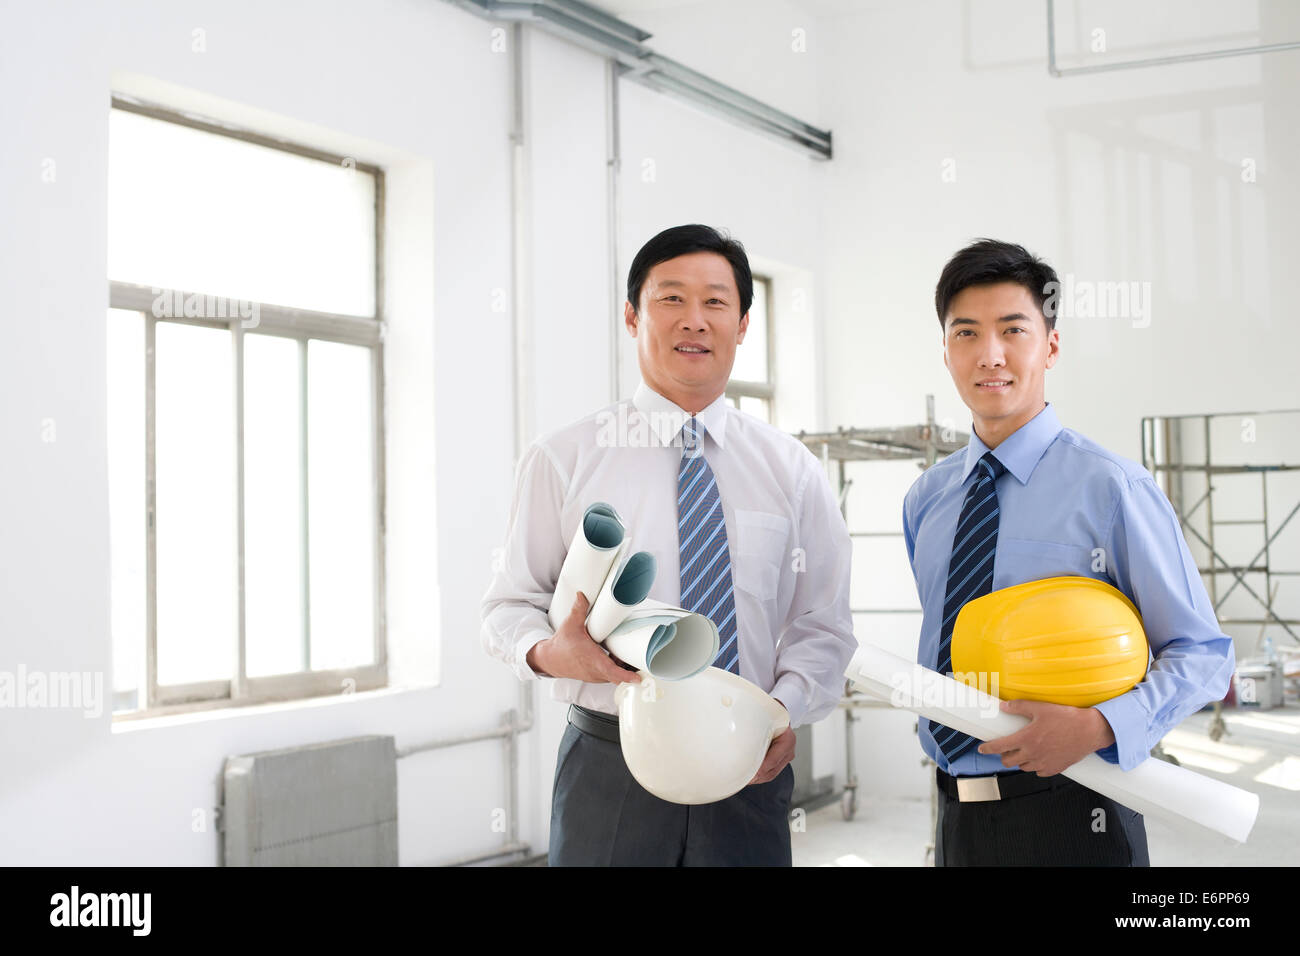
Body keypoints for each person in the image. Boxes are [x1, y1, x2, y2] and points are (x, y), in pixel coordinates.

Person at [481, 224, 855, 866]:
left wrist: (781, 713)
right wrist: (551, 652)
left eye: (716, 302)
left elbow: (823, 626)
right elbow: (506, 607)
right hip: (609, 764)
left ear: (742, 325)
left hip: (749, 760)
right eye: (671, 299)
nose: (695, 321)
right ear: (632, 317)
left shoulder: (791, 469)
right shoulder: (564, 458)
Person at [902, 238, 1235, 866]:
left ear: (1050, 346)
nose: (990, 354)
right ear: (946, 351)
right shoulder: (927, 499)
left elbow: (1204, 655)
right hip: (955, 815)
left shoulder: (1112, 488)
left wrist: (1102, 725)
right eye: (967, 333)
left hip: (1079, 810)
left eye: (1013, 330)